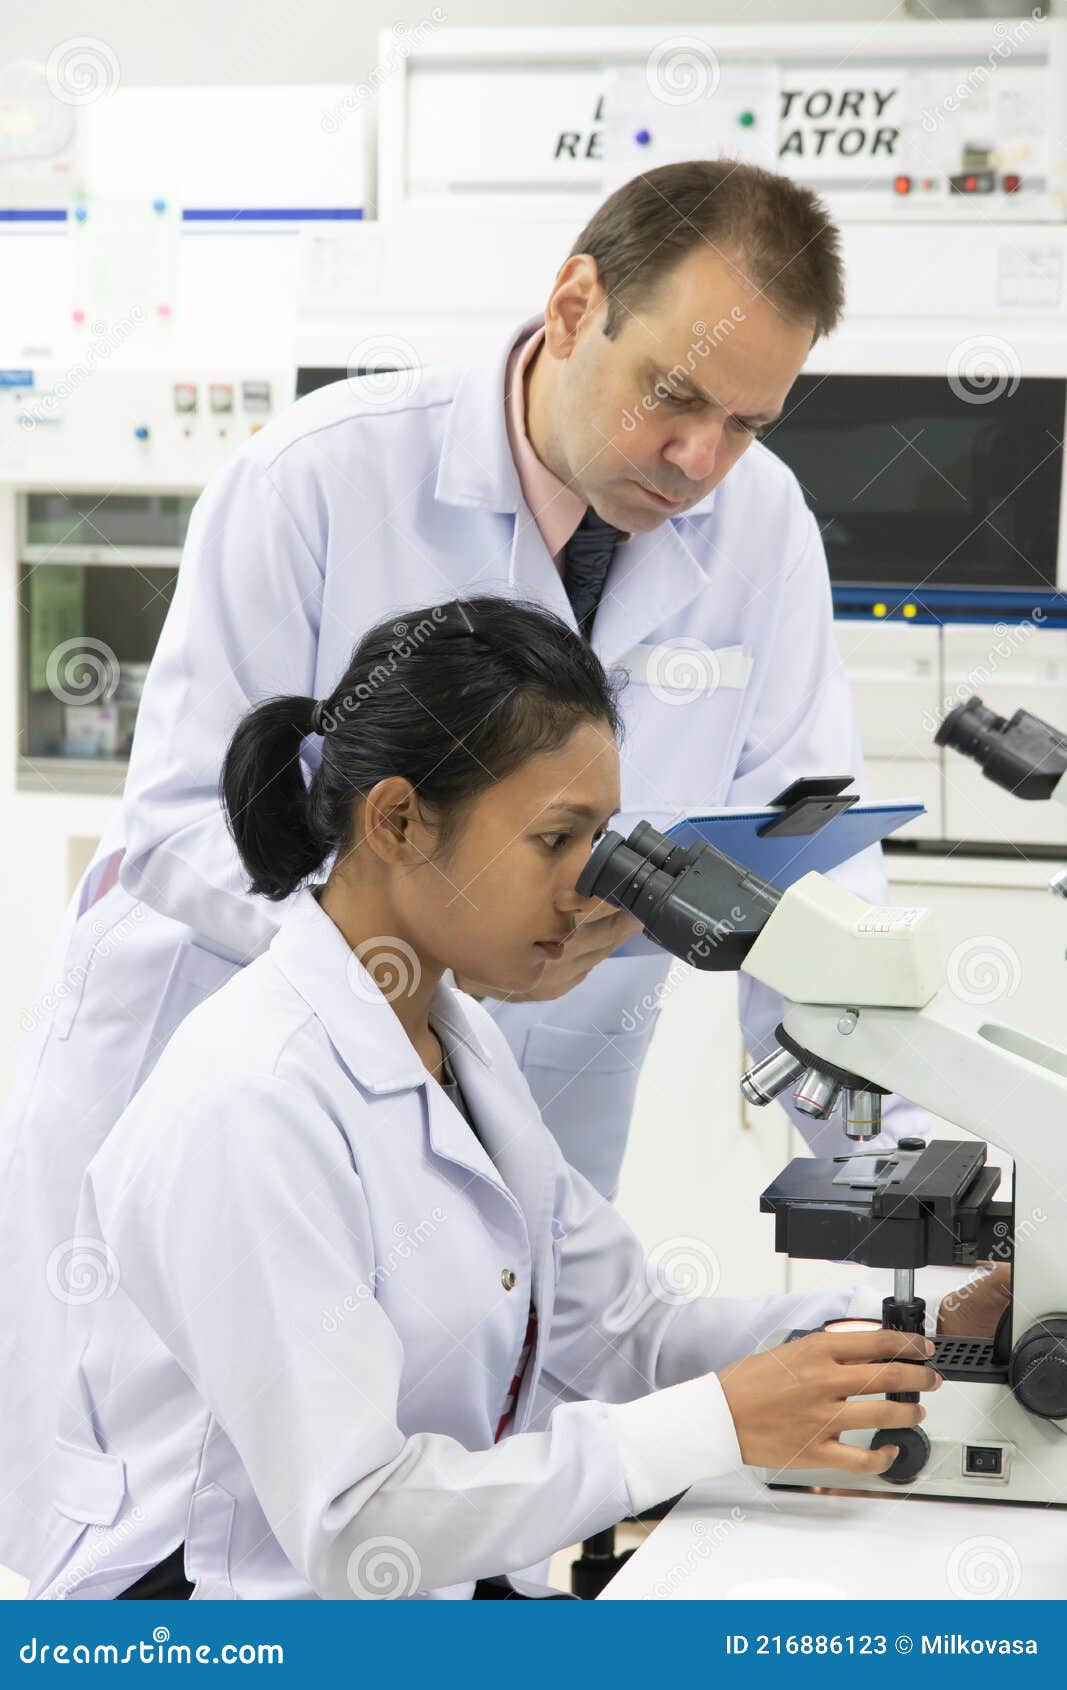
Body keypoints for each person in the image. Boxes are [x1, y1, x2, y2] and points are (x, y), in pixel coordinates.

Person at [1, 159, 928, 1571]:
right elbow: (192, 829)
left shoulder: (758, 523)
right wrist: (388, 992)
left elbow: (805, 874)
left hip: (471, 1066)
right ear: (570, 307)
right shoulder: (315, 477)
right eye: (672, 399)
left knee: (491, 1434)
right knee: (216, 1498)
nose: (699, 463)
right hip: (271, 1096)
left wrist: (889, 1193)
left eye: (745, 423)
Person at [30, 600, 946, 1602]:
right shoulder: (253, 1104)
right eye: (555, 840)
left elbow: (624, 1332)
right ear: (395, 820)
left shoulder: (451, 1045)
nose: (591, 892)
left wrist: (918, 1333)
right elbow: (352, 1527)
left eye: (601, 842)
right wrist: (717, 1422)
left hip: (433, 1595)